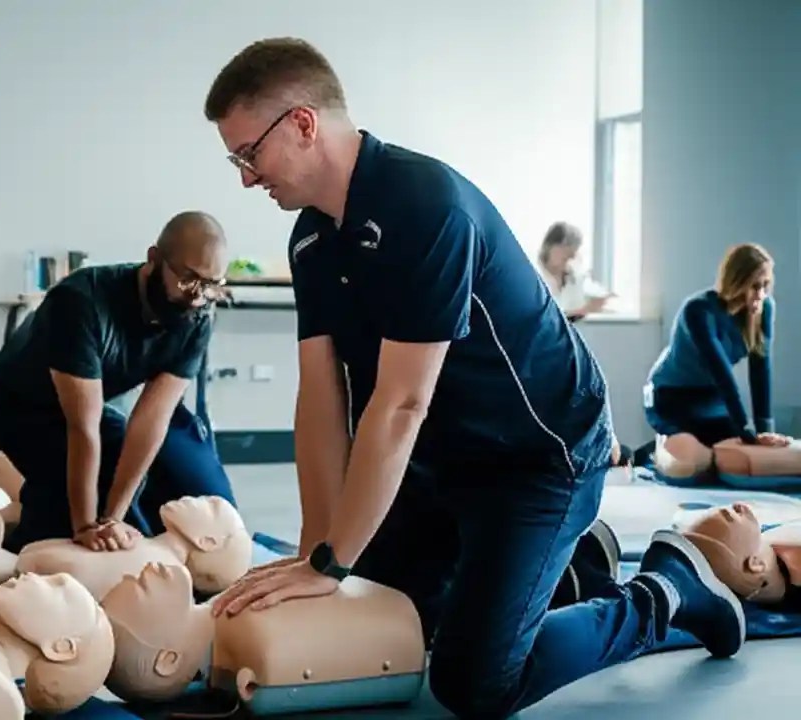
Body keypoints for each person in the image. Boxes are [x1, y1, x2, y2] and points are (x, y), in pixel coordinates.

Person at [202, 38, 746, 718]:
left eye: (247, 153)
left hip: (539, 459)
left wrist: (330, 562)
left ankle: (665, 590)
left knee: (473, 681)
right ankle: (574, 575)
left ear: (304, 124)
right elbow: (321, 397)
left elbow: (399, 405)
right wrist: (320, 551)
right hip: (440, 462)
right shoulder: (312, 238)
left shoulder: (425, 206)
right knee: (393, 623)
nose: (246, 178)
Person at [0, 211, 237, 553]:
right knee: (76, 508)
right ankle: (22, 544)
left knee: (191, 492)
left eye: (211, 285)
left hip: (94, 410)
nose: (197, 295)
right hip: (16, 409)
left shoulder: (198, 313)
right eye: (189, 279)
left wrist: (113, 518)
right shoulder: (81, 301)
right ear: (154, 259)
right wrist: (86, 526)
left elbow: (151, 421)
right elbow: (81, 429)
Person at [643, 243, 785, 449]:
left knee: (733, 447)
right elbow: (721, 373)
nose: (761, 294)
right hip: (670, 395)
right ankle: (645, 455)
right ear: (738, 282)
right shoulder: (698, 310)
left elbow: (760, 371)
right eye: (755, 286)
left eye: (766, 285)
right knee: (697, 456)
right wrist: (746, 429)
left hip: (710, 396)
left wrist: (765, 431)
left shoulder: (765, 308)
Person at [537, 221, 614, 322]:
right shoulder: (533, 276)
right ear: (550, 247)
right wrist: (583, 311)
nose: (571, 256)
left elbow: (606, 298)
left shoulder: (577, 277)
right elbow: (545, 319)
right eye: (565, 249)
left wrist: (602, 302)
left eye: (574, 250)